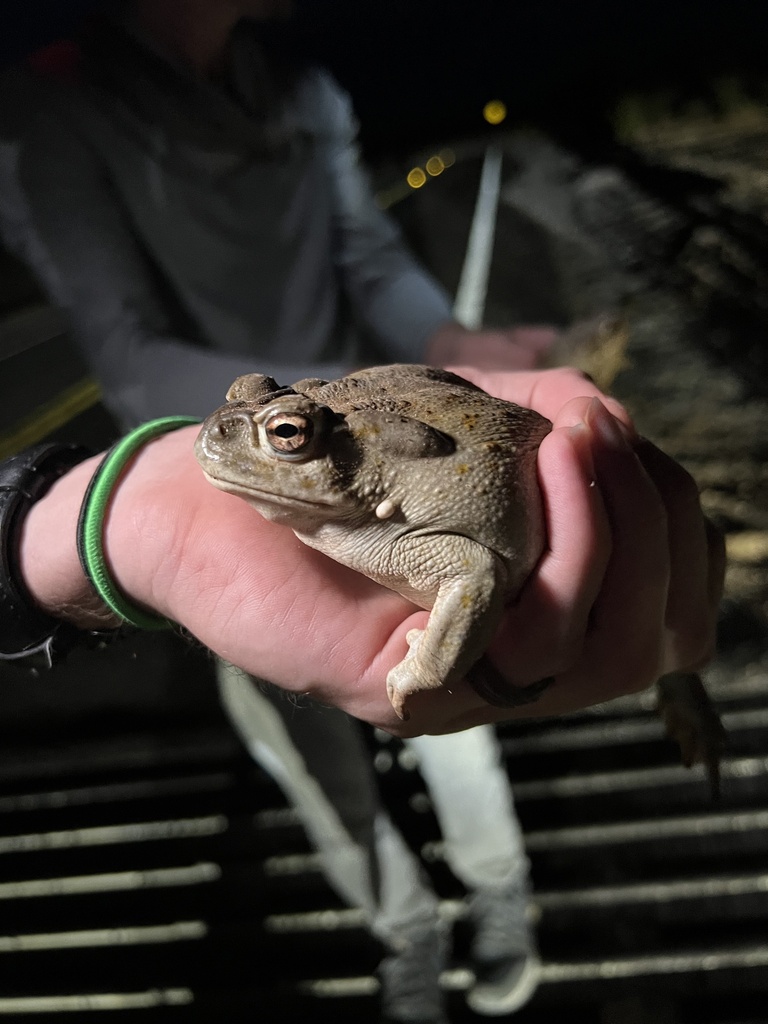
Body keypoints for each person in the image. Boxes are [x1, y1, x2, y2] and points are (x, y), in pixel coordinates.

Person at [0, 3, 725, 1021]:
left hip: (349, 438)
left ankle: (501, 897)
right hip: (234, 468)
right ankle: (406, 935)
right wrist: (185, 487)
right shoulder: (57, 112)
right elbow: (124, 346)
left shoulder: (301, 92)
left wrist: (462, 347)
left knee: (449, 707)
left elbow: (369, 260)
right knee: (313, 759)